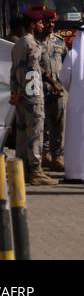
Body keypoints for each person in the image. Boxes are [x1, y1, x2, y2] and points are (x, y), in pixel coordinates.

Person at [10, 8, 57, 186]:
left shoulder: (18, 45)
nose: (41, 25)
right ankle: (36, 171)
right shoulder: (33, 45)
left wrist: (14, 93)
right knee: (35, 133)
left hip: (20, 98)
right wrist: (24, 92)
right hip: (32, 95)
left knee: (22, 134)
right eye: (39, 23)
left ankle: (21, 171)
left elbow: (13, 72)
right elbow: (31, 73)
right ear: (32, 25)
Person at [42, 15, 68, 171]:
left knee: (59, 124)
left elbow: (66, 63)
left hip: (58, 90)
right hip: (41, 88)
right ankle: (45, 155)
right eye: (47, 22)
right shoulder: (36, 42)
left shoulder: (59, 41)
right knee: (42, 124)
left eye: (52, 22)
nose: (51, 25)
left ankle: (57, 156)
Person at [61, 26, 82, 184]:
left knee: (75, 138)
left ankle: (75, 173)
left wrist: (74, 90)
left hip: (76, 104)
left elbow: (64, 78)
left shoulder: (73, 54)